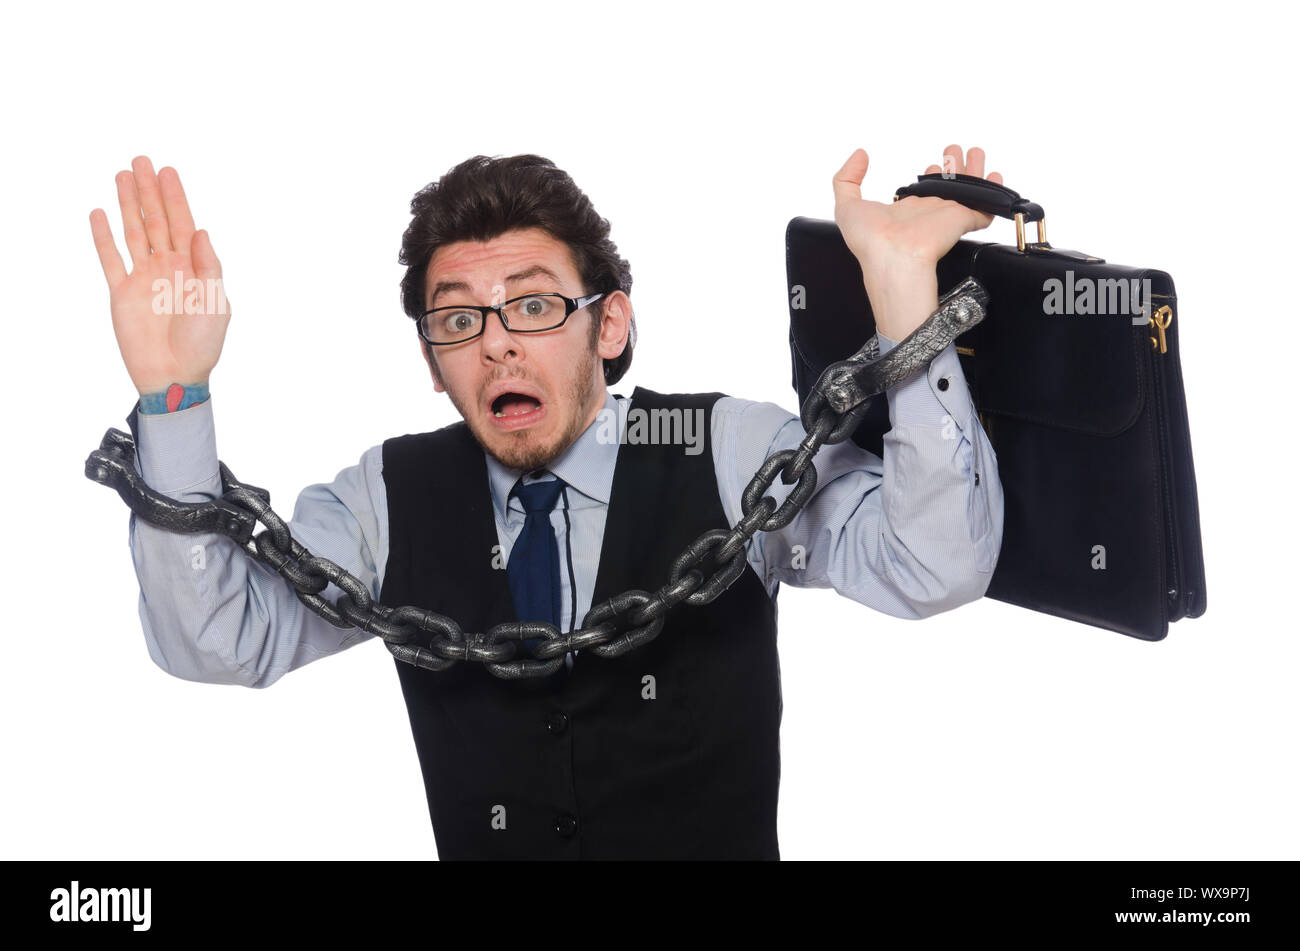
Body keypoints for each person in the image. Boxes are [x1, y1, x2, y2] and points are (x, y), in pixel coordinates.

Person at [88, 145, 1005, 859]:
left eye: (533, 307)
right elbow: (215, 641)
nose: (496, 347)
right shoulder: (384, 497)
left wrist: (905, 313)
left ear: (610, 324)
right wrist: (175, 398)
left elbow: (932, 565)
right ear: (431, 359)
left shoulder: (727, 452)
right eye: (458, 320)